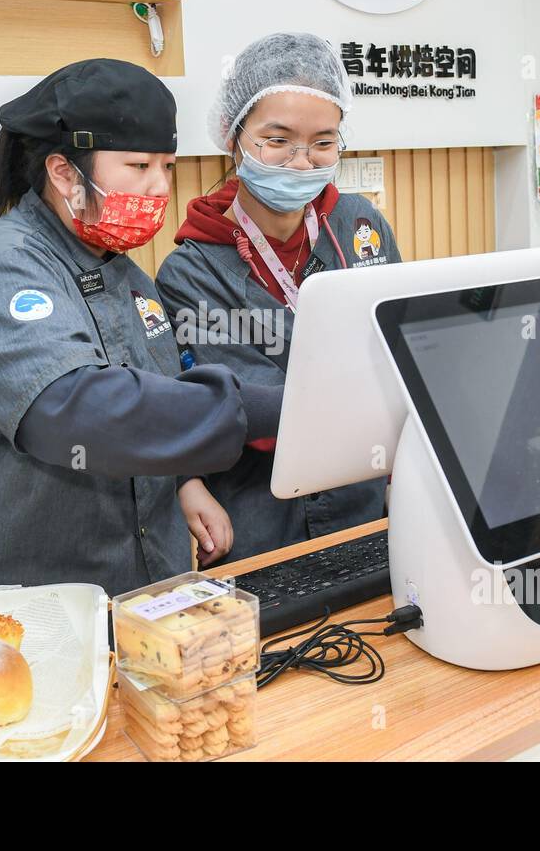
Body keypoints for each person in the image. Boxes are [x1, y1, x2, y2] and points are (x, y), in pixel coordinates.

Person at [0, 59, 285, 596]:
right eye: (137, 165)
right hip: (19, 599)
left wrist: (184, 483)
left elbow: (154, 399)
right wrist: (263, 407)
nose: (158, 187)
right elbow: (78, 409)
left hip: (137, 588)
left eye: (167, 167)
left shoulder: (133, 280)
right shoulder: (2, 269)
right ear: (63, 173)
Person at [155, 33, 401, 563]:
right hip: (259, 518)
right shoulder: (192, 270)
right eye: (278, 139)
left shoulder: (361, 226)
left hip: (363, 500)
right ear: (233, 137)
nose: (300, 162)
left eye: (323, 142)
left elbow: (399, 347)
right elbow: (241, 408)